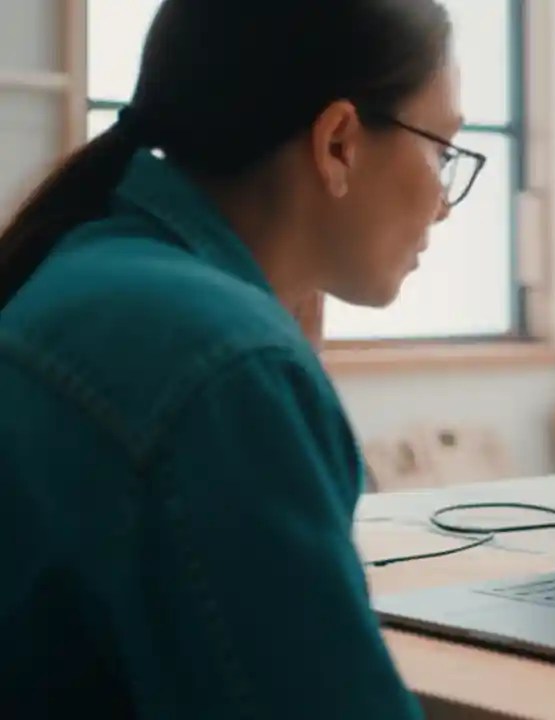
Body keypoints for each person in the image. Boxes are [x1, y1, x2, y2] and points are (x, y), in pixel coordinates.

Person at [0, 1, 482, 716]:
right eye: (442, 151)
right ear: (339, 143)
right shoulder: (223, 364)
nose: (444, 204)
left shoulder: (96, 271)